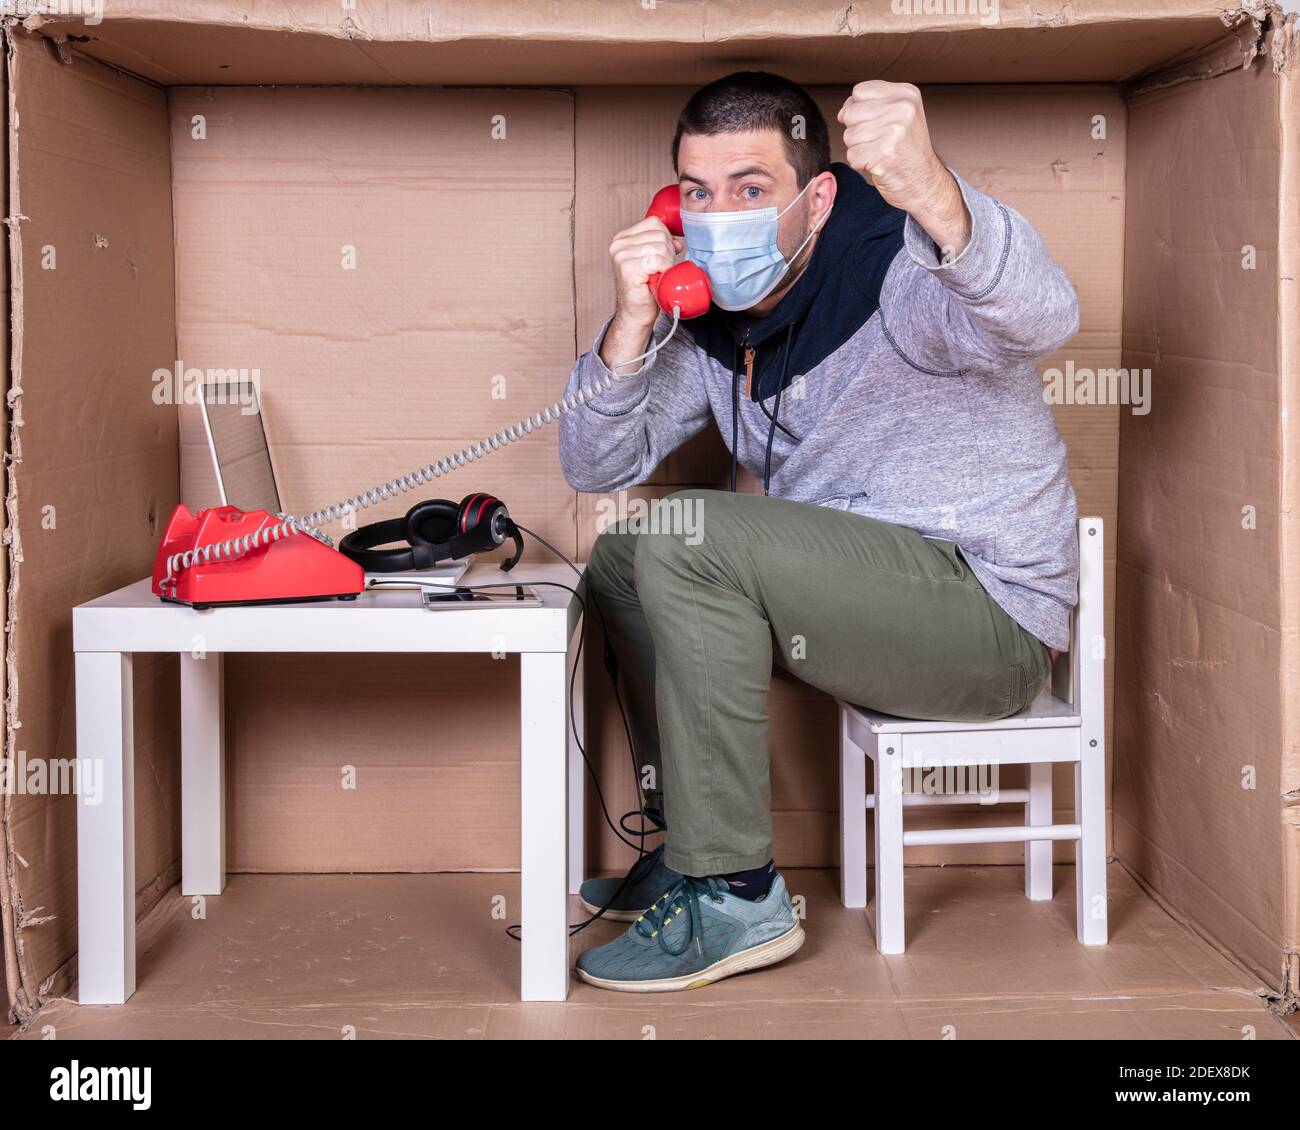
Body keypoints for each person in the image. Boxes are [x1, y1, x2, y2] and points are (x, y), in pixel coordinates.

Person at [558, 71, 1078, 992]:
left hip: (984, 623)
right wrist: (632, 326)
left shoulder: (902, 270)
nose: (719, 217)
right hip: (859, 606)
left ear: (818, 196)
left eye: (751, 190)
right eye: (696, 192)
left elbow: (1046, 314)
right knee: (625, 557)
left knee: (687, 533)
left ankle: (735, 893)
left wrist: (932, 191)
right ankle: (690, 851)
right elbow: (596, 465)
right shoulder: (716, 320)